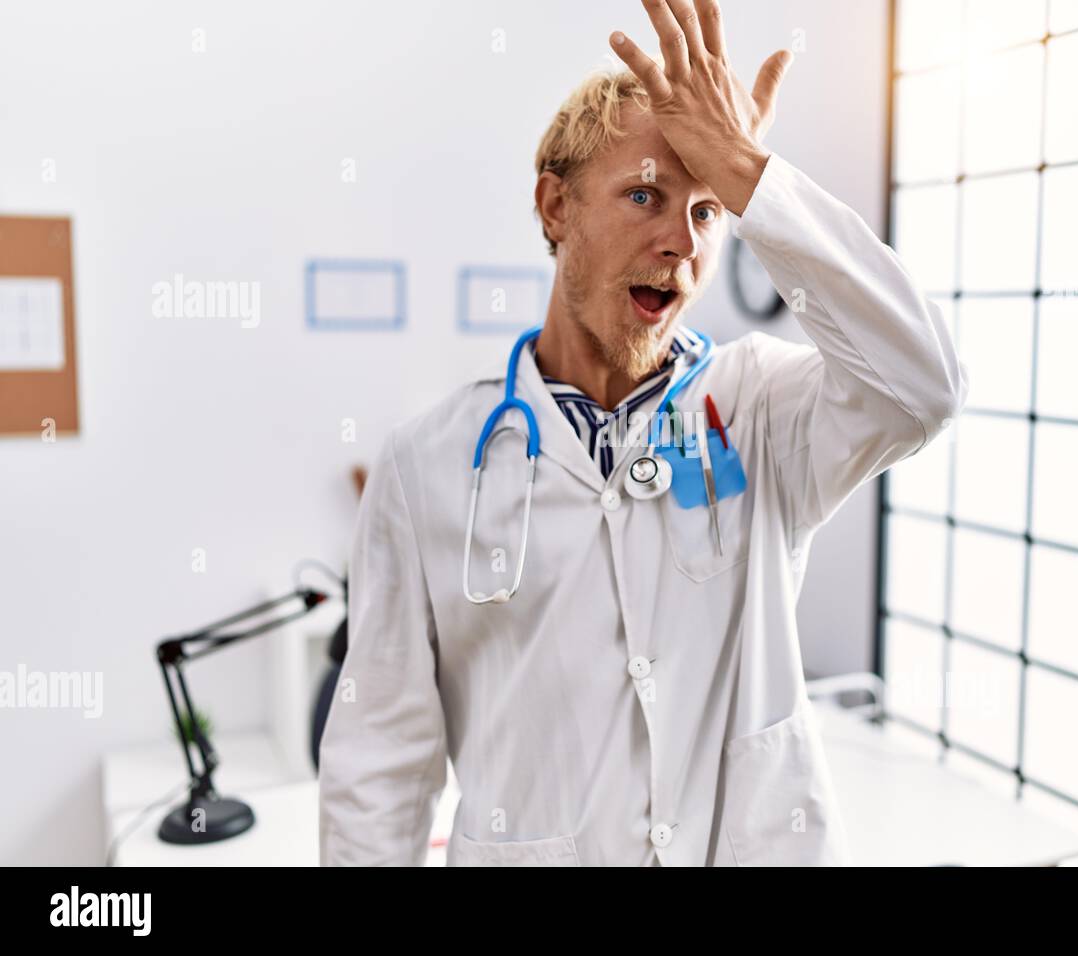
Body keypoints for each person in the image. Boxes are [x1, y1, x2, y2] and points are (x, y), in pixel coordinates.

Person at [319, 0, 968, 866]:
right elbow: (380, 765)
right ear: (555, 207)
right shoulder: (425, 466)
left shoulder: (763, 410)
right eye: (644, 196)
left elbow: (924, 383)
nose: (681, 243)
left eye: (706, 212)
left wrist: (747, 171)